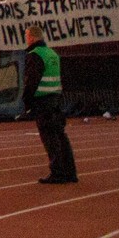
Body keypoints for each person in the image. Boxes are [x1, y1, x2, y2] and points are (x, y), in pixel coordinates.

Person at [22, 24, 77, 184]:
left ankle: (58, 172)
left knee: (50, 138)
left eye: (27, 36)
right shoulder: (52, 53)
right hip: (55, 99)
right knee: (61, 136)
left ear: (31, 37)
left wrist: (27, 102)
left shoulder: (35, 55)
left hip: (42, 101)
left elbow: (31, 81)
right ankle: (70, 172)